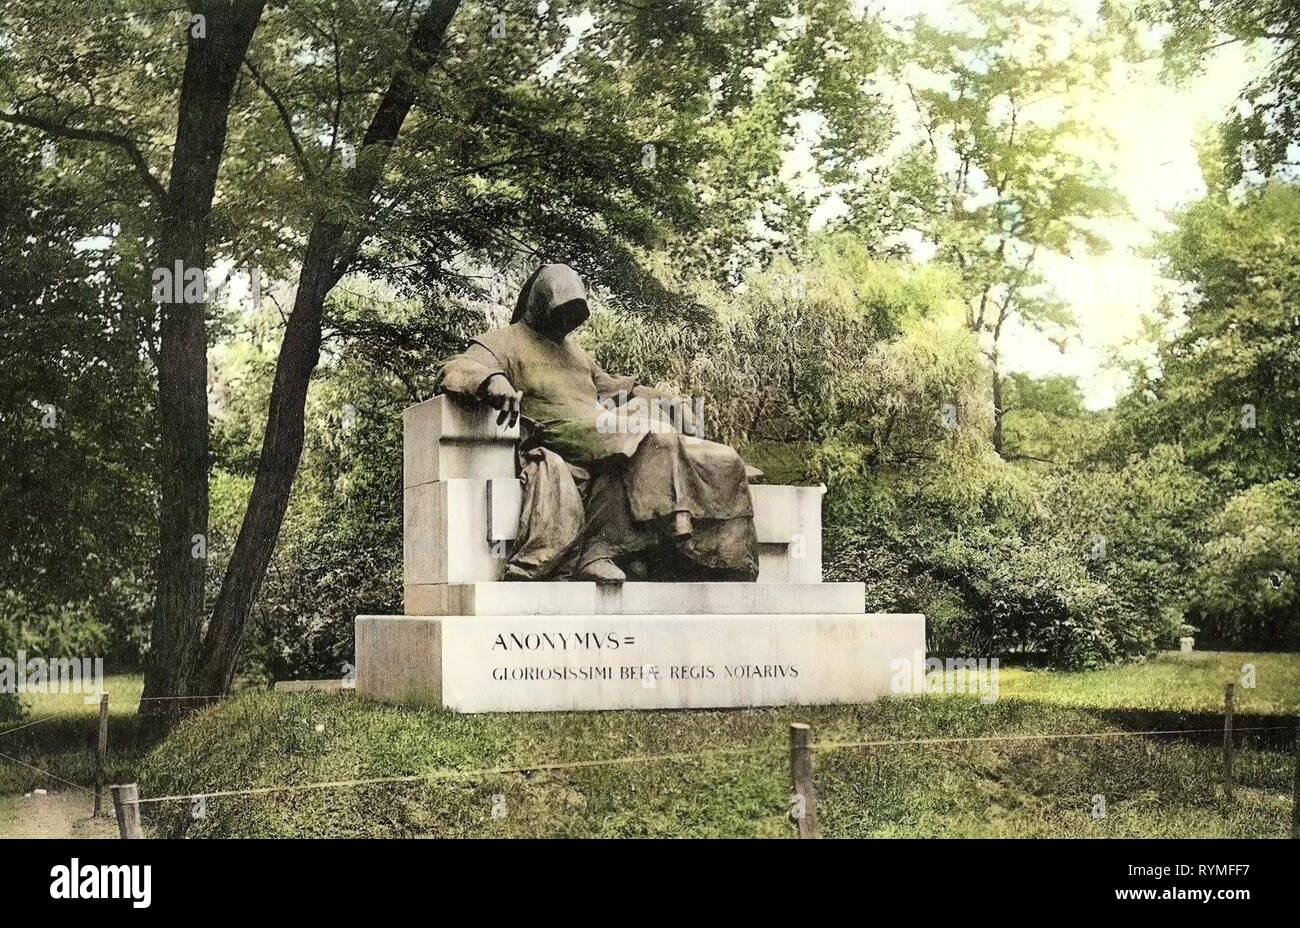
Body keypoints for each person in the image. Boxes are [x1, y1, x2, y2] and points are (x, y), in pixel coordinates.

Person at [436, 263, 759, 583]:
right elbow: (457, 367)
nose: (566, 322)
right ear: (539, 304)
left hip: (604, 430)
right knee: (651, 433)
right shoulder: (504, 341)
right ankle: (599, 548)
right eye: (560, 311)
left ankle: (720, 562)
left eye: (573, 314)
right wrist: (493, 380)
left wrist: (667, 401)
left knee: (724, 459)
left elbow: (614, 388)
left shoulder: (576, 353)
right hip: (554, 432)